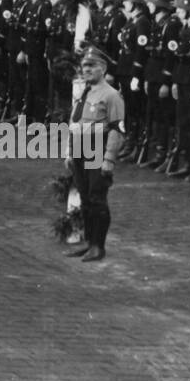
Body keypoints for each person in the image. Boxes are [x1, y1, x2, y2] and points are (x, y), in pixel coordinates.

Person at [62, 45, 125, 263]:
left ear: (103, 69)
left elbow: (118, 130)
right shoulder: (85, 92)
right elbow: (75, 121)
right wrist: (70, 151)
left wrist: (108, 160)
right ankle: (89, 242)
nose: (86, 70)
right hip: (81, 149)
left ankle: (99, 246)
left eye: (92, 66)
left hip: (97, 149)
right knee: (86, 198)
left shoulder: (111, 95)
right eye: (84, 66)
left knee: (97, 199)